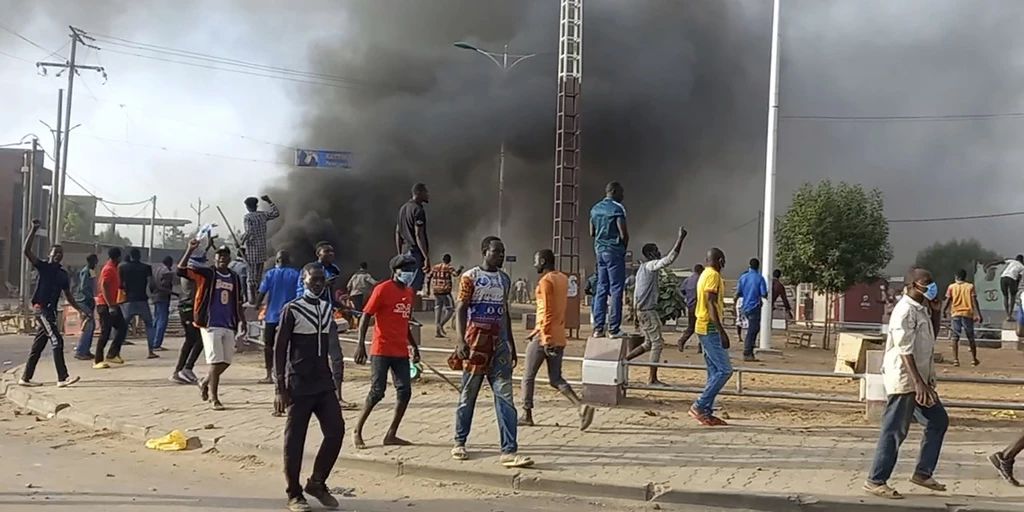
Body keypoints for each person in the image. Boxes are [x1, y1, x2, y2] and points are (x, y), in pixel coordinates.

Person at [864, 267, 948, 499]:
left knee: (938, 421)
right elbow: (904, 350)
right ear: (912, 285)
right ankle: (876, 480)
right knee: (894, 431)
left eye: (932, 282)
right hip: (905, 380)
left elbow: (930, 339)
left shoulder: (921, 309)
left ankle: (922, 473)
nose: (931, 287)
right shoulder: (903, 311)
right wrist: (918, 384)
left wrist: (937, 313)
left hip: (921, 380)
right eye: (926, 282)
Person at [449, 236, 532, 468]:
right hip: (475, 343)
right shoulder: (470, 277)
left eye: (503, 252)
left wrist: (512, 344)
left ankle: (509, 450)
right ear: (485, 252)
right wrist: (460, 340)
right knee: (468, 395)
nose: (501, 256)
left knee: (505, 396)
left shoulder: (505, 279)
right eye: (497, 251)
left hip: (500, 345)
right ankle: (459, 441)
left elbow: (505, 312)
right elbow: (461, 308)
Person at [274, 264, 343, 512]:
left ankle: (317, 482)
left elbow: (330, 347)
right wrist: (279, 387)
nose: (317, 283)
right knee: (295, 440)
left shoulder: (326, 309)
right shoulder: (292, 309)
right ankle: (294, 493)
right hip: (298, 384)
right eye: (313, 279)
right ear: (304, 280)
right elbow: (279, 349)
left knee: (336, 432)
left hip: (323, 383)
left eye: (321, 280)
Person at [519, 249, 595, 430]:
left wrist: (544, 337)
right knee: (555, 378)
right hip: (558, 333)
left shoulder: (545, 282)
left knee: (528, 376)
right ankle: (580, 406)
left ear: (543, 261)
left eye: (536, 261)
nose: (534, 264)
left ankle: (526, 414)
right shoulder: (562, 278)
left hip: (545, 336)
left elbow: (547, 311)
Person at [353, 254, 421, 449]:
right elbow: (366, 316)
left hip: (400, 351)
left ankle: (391, 433)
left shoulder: (409, 293)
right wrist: (360, 344)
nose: (409, 274)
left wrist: (414, 347)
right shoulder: (382, 289)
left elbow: (405, 323)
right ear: (396, 271)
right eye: (405, 270)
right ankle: (357, 430)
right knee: (377, 392)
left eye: (411, 270)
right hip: (381, 349)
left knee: (405, 392)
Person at [178, 241, 246, 410]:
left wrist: (242, 321)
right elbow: (181, 270)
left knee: (226, 361)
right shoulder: (207, 274)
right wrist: (190, 249)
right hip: (210, 323)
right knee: (216, 362)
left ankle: (204, 381)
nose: (222, 258)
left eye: (225, 255)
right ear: (214, 258)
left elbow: (238, 301)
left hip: (228, 323)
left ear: (229, 258)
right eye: (219, 255)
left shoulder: (234, 277)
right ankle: (214, 398)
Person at [18, 219, 84, 387]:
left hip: (51, 312)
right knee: (57, 339)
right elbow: (26, 251)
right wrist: (33, 230)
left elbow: (68, 296)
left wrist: (80, 310)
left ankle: (25, 378)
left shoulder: (62, 274)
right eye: (55, 253)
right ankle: (62, 378)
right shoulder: (43, 266)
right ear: (49, 254)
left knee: (38, 345)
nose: (57, 256)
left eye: (60, 254)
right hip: (41, 308)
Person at [296, 241, 356, 410]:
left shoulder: (333, 271)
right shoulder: (310, 270)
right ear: (318, 254)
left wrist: (342, 306)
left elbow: (329, 297)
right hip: (309, 320)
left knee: (336, 357)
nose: (330, 254)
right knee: (307, 358)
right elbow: (302, 292)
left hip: (327, 319)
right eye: (326, 251)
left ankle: (338, 396)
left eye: (332, 251)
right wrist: (322, 287)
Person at [625, 228, 686, 386]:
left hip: (643, 310)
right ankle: (652, 379)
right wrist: (680, 239)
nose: (659, 253)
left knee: (648, 343)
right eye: (657, 251)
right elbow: (669, 259)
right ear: (651, 254)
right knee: (657, 343)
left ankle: (624, 360)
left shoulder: (641, 269)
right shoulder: (650, 266)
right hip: (647, 311)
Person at [689, 248, 732, 426]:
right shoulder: (713, 276)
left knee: (714, 371)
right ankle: (699, 406)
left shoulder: (704, 274)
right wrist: (722, 331)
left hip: (702, 326)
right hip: (710, 327)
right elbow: (711, 303)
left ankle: (706, 412)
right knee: (724, 370)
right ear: (720, 261)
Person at [589, 181, 628, 338]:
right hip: (614, 251)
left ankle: (598, 329)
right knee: (616, 289)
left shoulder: (594, 209)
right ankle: (614, 329)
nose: (623, 196)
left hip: (599, 251)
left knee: (601, 288)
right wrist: (622, 249)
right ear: (613, 191)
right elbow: (624, 234)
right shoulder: (618, 209)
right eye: (621, 192)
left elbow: (591, 232)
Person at [256, 250, 301, 384]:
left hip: (272, 316)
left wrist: (257, 304)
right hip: (290, 315)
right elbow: (300, 294)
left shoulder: (270, 274)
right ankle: (288, 373)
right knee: (290, 345)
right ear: (289, 261)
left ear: (277, 261)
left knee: (268, 345)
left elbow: (262, 292)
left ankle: (269, 375)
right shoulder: (296, 274)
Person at [170, 251, 206, 384]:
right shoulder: (190, 273)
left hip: (189, 309)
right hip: (188, 309)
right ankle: (184, 369)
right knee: (196, 340)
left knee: (193, 340)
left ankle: (182, 369)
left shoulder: (193, 273)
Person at [241, 194, 280, 304]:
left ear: (248, 207)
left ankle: (252, 299)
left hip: (252, 249)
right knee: (258, 275)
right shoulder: (262, 215)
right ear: (257, 206)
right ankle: (257, 297)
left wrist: (241, 241)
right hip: (262, 249)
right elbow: (276, 213)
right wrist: (269, 201)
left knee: (251, 276)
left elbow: (249, 232)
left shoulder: (248, 217)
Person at [119, 248, 157, 359]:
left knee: (123, 326)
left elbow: (120, 285)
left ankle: (116, 352)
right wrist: (152, 293)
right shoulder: (146, 268)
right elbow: (151, 284)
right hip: (142, 300)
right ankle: (151, 351)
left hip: (128, 301)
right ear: (139, 256)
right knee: (149, 325)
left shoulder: (123, 268)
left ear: (130, 256)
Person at [94, 247, 127, 368]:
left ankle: (112, 354)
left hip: (113, 304)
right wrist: (110, 305)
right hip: (105, 305)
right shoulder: (108, 269)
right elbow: (104, 286)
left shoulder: (114, 268)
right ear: (117, 257)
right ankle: (97, 360)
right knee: (105, 332)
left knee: (122, 328)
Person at [395, 183, 431, 293]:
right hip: (414, 253)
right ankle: (407, 309)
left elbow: (397, 232)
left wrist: (400, 254)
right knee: (411, 289)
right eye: (426, 192)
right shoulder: (418, 210)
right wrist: (426, 257)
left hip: (405, 253)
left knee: (402, 287)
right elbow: (418, 235)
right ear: (419, 193)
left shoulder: (403, 209)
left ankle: (400, 309)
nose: (428, 195)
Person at [943, 269, 982, 367]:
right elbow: (974, 301)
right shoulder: (970, 287)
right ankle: (974, 359)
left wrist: (943, 310)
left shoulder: (951, 287)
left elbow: (948, 300)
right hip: (967, 314)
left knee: (955, 337)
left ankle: (955, 360)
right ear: (965, 277)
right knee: (970, 337)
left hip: (955, 313)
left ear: (956, 276)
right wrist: (978, 314)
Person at [735, 258, 769, 362]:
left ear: (749, 266)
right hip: (755, 306)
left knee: (750, 328)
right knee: (753, 330)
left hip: (745, 306)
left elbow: (738, 292)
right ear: (758, 267)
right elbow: (764, 293)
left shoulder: (743, 277)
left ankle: (748, 350)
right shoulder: (760, 278)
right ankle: (747, 352)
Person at [73, 254, 99, 360]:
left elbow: (93, 285)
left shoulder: (91, 271)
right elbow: (84, 288)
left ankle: (86, 350)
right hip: (83, 300)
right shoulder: (85, 271)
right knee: (88, 325)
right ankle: (80, 351)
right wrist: (90, 297)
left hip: (89, 301)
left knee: (91, 326)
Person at [986, 255, 1024, 321]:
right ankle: (1010, 315)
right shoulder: (1022, 267)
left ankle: (1007, 315)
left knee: (1005, 296)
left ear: (1016, 259)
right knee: (1012, 297)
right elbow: (1019, 277)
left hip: (1003, 278)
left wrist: (990, 264)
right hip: (1012, 279)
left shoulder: (1012, 261)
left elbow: (1000, 262)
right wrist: (1016, 287)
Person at [676, 264, 703, 353]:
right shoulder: (702, 279)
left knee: (691, 327)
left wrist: (687, 297)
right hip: (700, 306)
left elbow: (681, 291)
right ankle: (701, 347)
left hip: (691, 306)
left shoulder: (687, 280)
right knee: (702, 327)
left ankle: (682, 341)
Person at [151, 256, 176, 352]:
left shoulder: (156, 270)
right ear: (170, 263)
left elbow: (153, 285)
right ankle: (157, 344)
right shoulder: (167, 272)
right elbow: (163, 286)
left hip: (156, 297)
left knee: (156, 320)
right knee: (162, 321)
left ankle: (152, 341)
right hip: (163, 298)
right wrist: (174, 293)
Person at [429, 254, 456, 338]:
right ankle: (441, 324)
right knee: (451, 309)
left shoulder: (435, 267)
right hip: (445, 291)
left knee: (438, 309)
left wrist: (428, 289)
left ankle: (437, 331)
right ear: (449, 260)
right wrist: (460, 269)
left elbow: (428, 276)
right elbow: (455, 274)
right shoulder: (449, 267)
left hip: (436, 291)